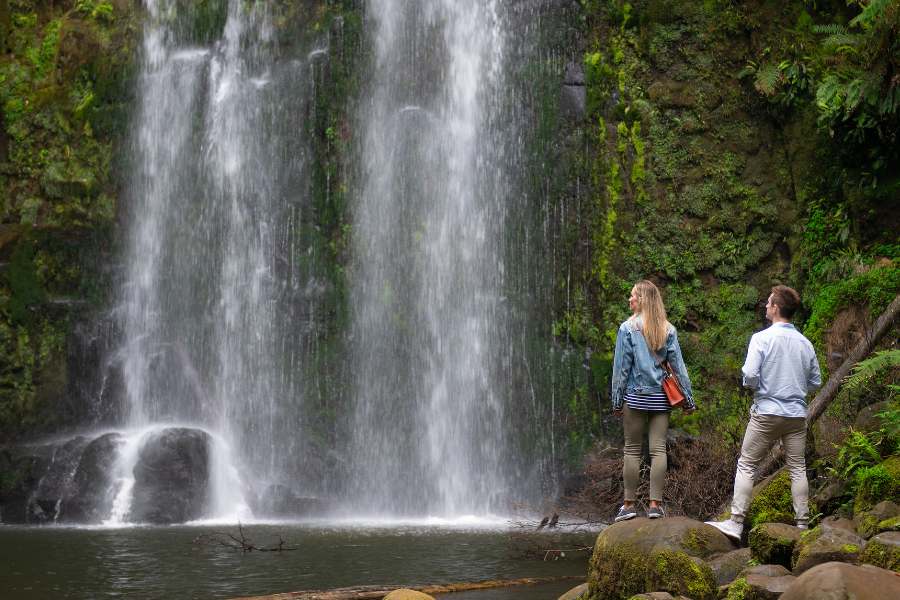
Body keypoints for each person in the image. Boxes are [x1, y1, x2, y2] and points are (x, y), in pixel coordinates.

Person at [706, 285, 822, 541]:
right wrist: (795, 386)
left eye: (769, 303)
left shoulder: (761, 339)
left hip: (767, 412)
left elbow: (749, 374)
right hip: (796, 415)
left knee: (747, 464)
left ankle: (736, 522)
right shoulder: (805, 343)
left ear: (777, 308)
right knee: (797, 468)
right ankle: (802, 526)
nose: (766, 307)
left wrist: (759, 387)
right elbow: (815, 382)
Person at [610, 280, 695, 522]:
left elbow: (621, 369)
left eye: (633, 296)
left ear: (643, 299)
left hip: (635, 397)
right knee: (658, 450)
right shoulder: (668, 328)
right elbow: (679, 368)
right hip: (661, 398)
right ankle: (655, 505)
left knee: (632, 450)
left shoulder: (627, 328)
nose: (630, 300)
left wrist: (617, 401)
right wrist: (688, 399)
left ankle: (628, 506)